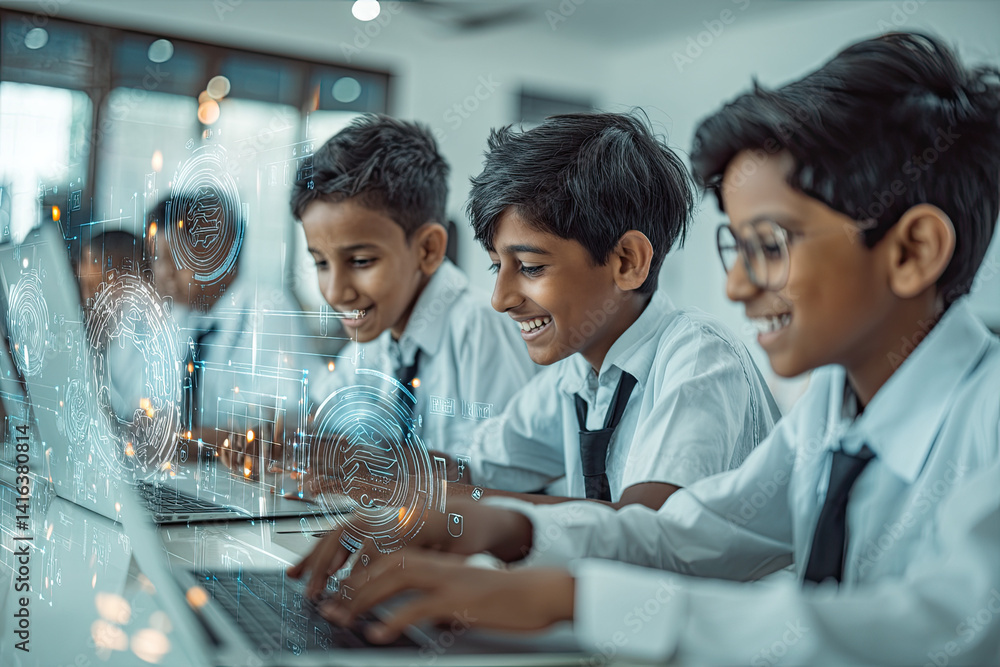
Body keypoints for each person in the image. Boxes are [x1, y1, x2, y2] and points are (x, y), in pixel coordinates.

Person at [304, 33, 1000, 665]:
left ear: (912, 251)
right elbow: (678, 534)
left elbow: (933, 631)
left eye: (769, 247)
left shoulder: (986, 415)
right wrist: (493, 524)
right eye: (735, 247)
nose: (734, 284)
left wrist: (564, 597)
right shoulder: (834, 407)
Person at [290, 111, 780, 595]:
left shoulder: (697, 358)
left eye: (528, 266)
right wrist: (377, 470)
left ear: (627, 261)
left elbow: (647, 532)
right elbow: (474, 470)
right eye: (496, 268)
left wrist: (461, 515)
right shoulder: (578, 376)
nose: (502, 298)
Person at [290, 114, 537, 469]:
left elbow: (509, 473)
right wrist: (291, 442)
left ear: (428, 250)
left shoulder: (480, 327)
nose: (335, 291)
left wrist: (383, 468)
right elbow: (318, 420)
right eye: (321, 263)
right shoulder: (376, 337)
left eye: (360, 261)